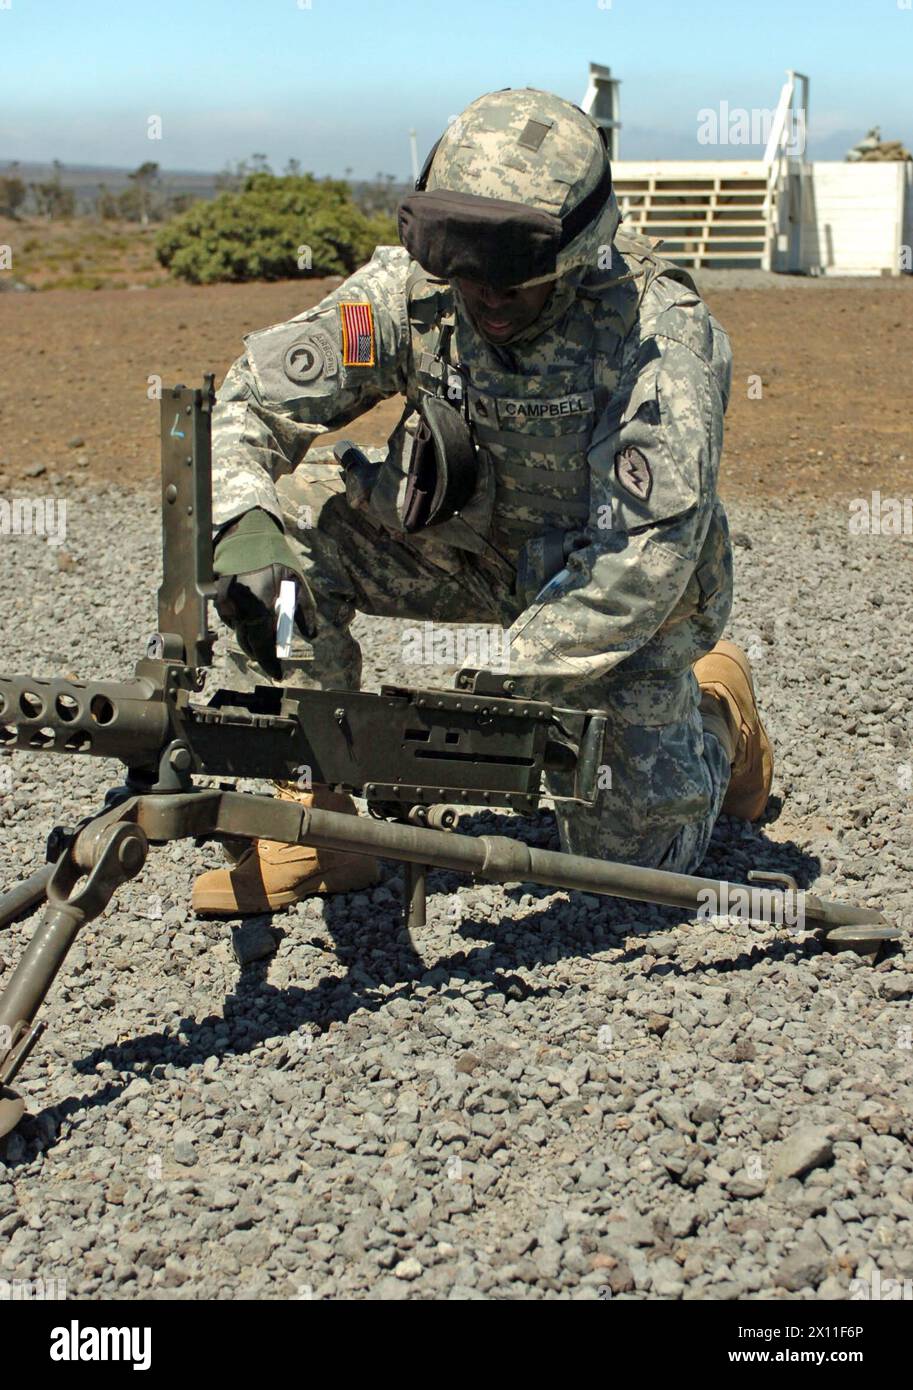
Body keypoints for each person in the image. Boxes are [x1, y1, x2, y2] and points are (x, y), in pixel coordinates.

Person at [192, 87, 772, 916]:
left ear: (578, 251)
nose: (485, 297)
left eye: (515, 277)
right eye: (463, 271)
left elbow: (640, 562)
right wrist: (245, 526)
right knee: (289, 541)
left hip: (605, 600)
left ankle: (719, 719)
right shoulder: (412, 291)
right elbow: (250, 401)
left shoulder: (656, 337)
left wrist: (478, 696)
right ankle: (309, 814)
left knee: (631, 872)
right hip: (459, 549)